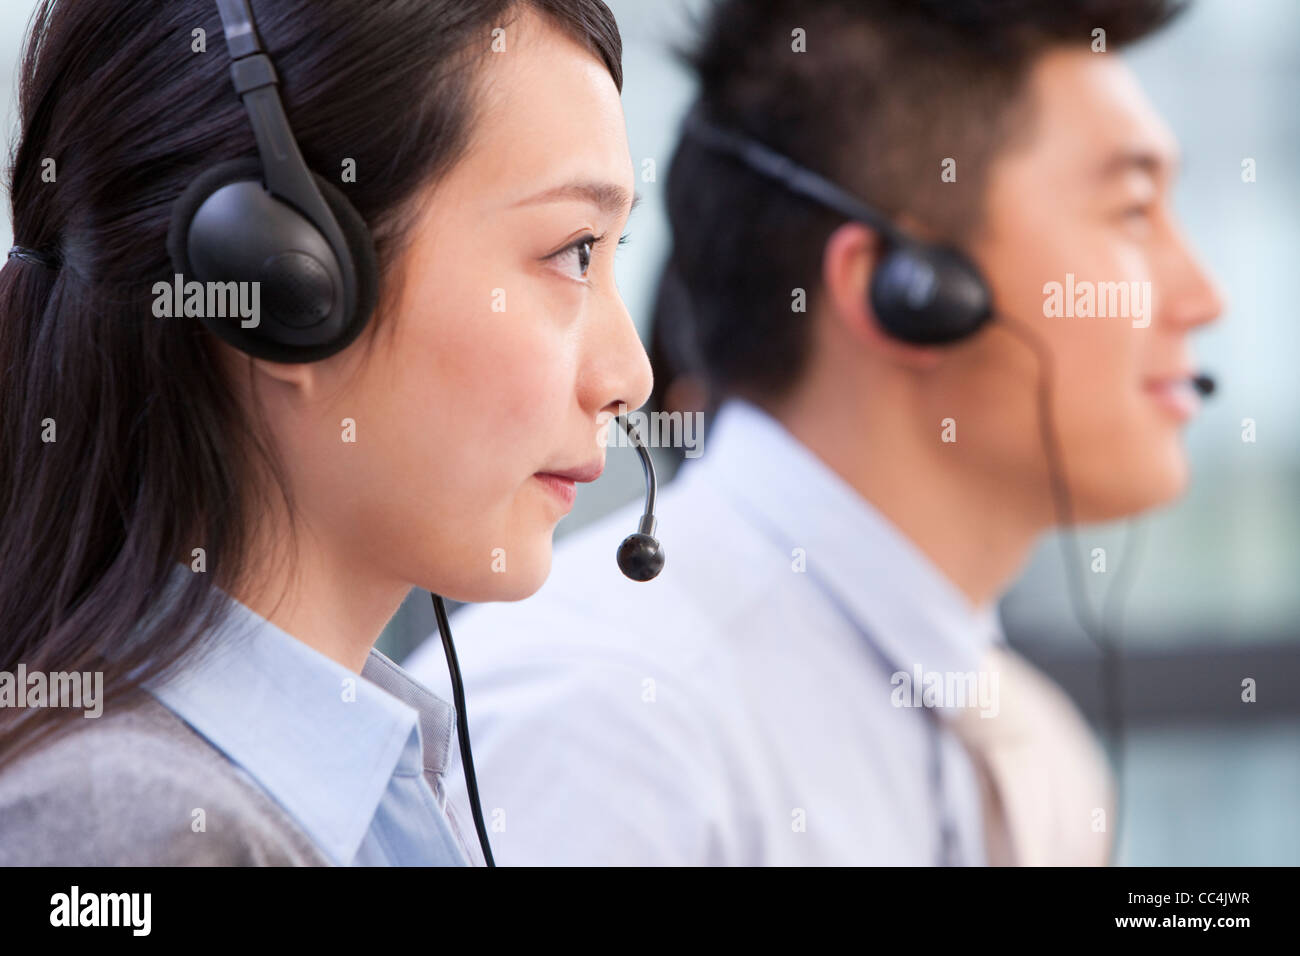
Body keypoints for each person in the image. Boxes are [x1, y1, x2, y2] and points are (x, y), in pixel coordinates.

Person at [406, 0, 1225, 865]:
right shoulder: (600, 727)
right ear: (910, 289)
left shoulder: (1038, 756)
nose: (1204, 295)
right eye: (1132, 212)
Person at [0, 0, 649, 866]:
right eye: (574, 251)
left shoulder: (371, 787)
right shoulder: (129, 832)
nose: (629, 377)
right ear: (284, 280)